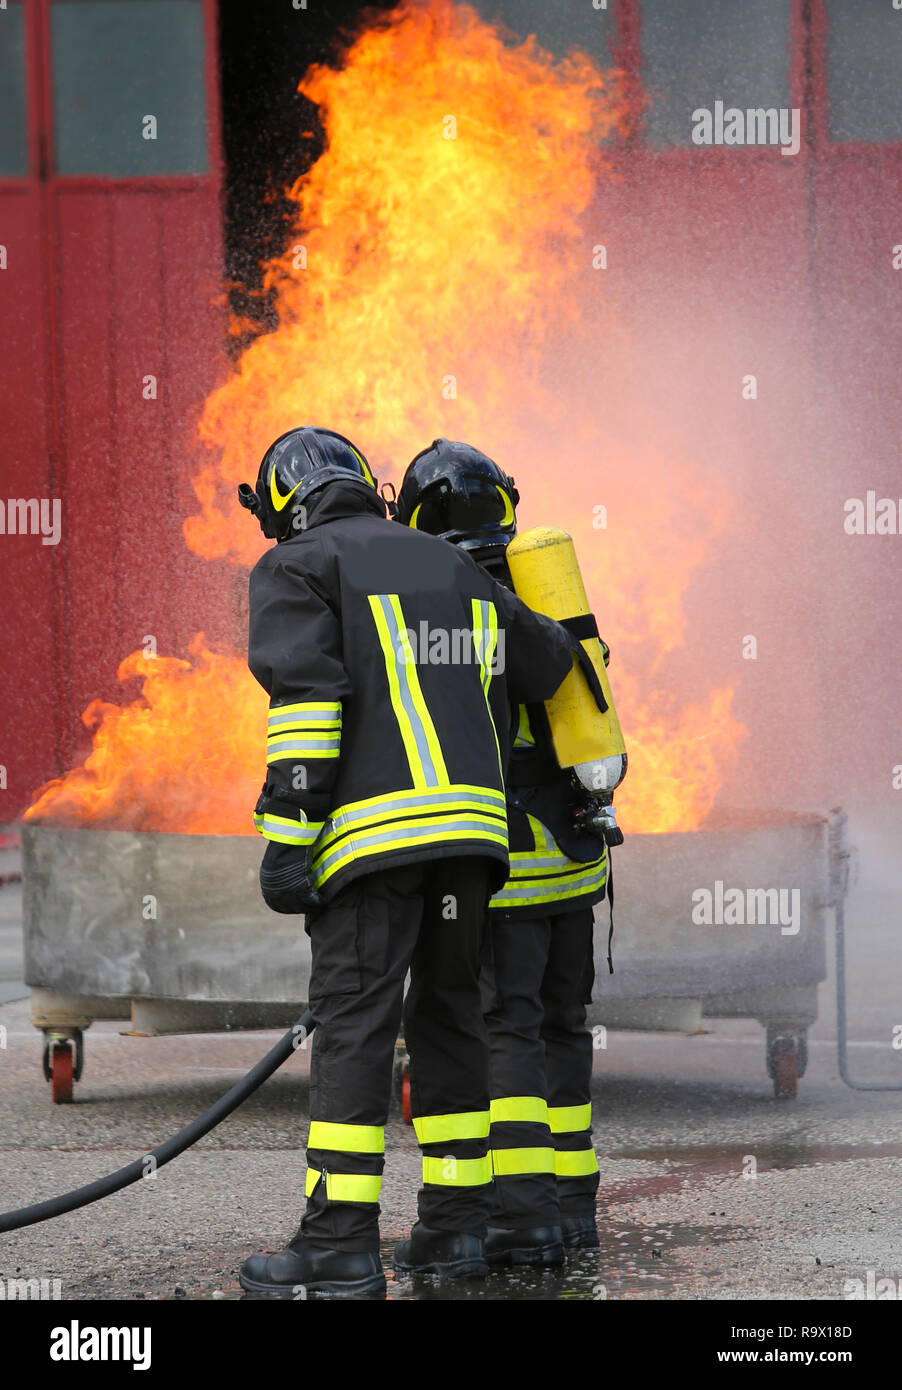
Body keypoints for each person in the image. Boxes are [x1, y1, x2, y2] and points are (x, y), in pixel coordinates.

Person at [235, 426, 575, 1297]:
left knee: (354, 1022)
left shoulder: (299, 565)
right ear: (367, 485)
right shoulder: (450, 565)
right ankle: (455, 1232)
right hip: (472, 846)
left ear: (284, 503)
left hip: (376, 845)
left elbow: (309, 705)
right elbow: (545, 664)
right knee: (452, 1019)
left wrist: (288, 841)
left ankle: (339, 1242)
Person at [396, 438, 610, 1265]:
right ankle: (572, 1209)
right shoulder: (547, 589)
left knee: (506, 1028)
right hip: (577, 860)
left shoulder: (451, 602)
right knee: (565, 1027)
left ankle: (523, 1220)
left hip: (510, 871)